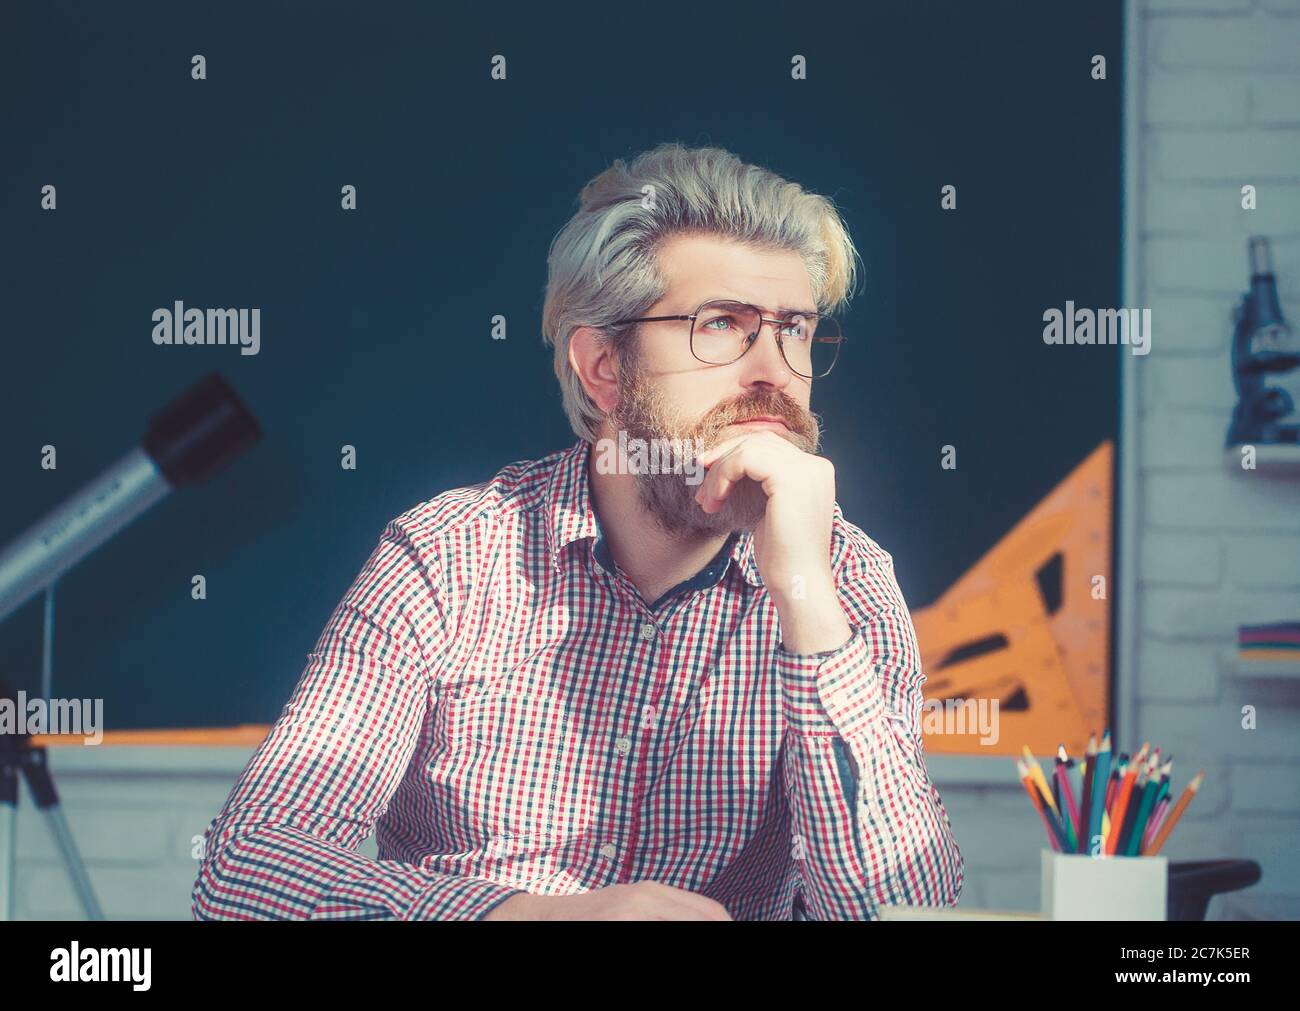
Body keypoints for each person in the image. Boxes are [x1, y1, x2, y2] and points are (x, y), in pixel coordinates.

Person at [191, 143, 963, 921]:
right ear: (601, 367)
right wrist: (537, 917)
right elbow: (247, 867)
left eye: (794, 330)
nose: (773, 371)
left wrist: (805, 596)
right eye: (721, 324)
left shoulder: (847, 582)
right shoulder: (450, 555)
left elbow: (901, 912)